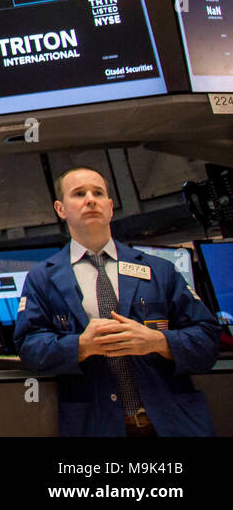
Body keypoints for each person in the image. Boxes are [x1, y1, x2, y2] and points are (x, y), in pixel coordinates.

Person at [14, 166, 220, 436]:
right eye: (78, 194)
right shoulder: (42, 277)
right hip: (96, 425)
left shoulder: (160, 270)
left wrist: (157, 342)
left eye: (98, 193)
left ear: (110, 207)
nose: (90, 199)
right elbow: (29, 347)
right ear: (61, 209)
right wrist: (80, 346)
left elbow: (207, 339)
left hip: (171, 422)